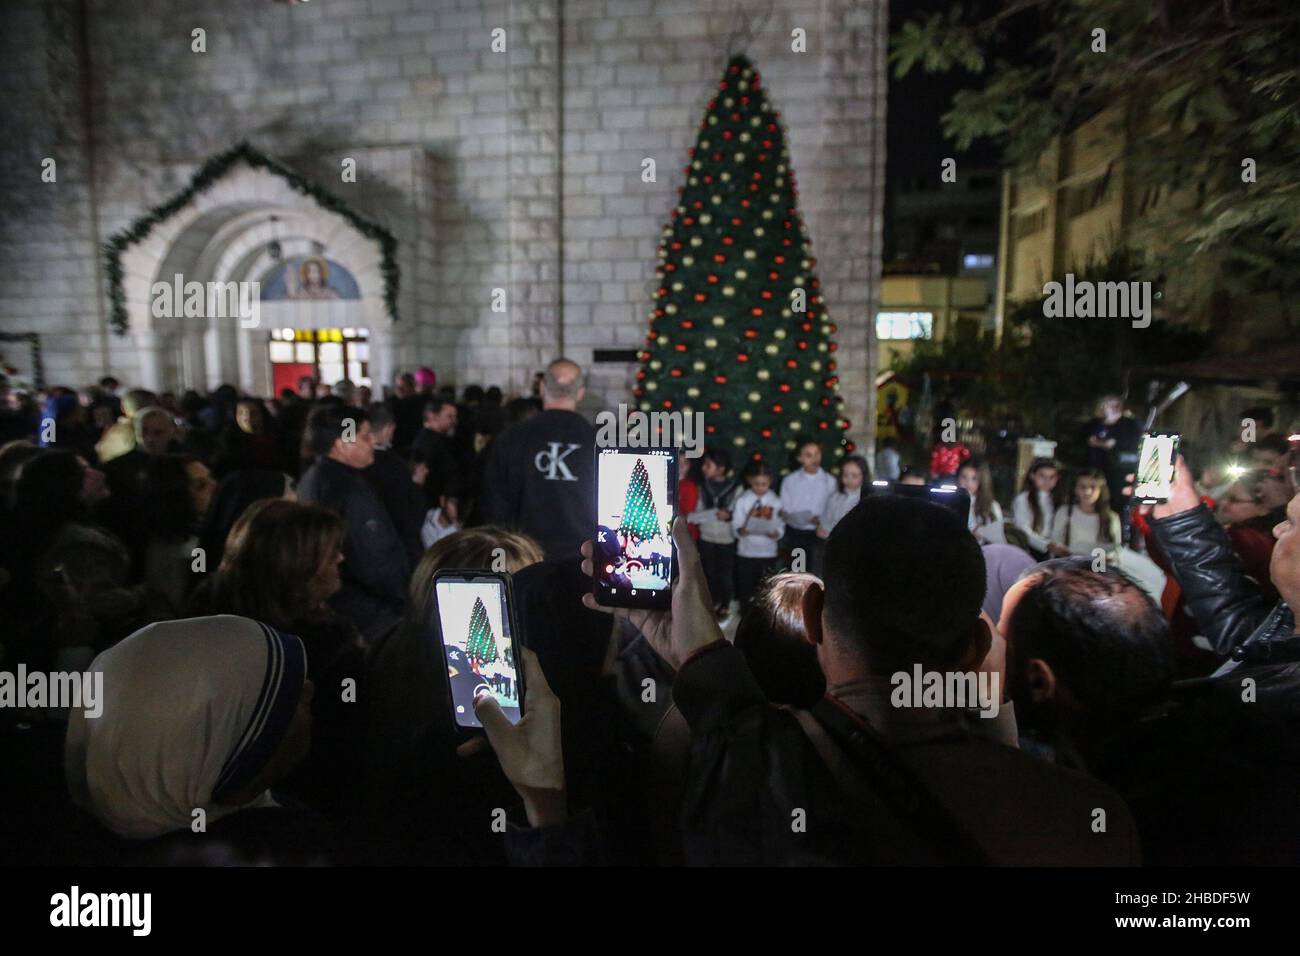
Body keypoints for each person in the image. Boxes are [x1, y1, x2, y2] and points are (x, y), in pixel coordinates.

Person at [580, 503, 1139, 865]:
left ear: (816, 616)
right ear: (973, 647)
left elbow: (723, 721)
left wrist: (695, 650)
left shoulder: (738, 771)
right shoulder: (1090, 820)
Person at [1001, 557, 1300, 865]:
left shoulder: (1085, 819)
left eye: (1003, 642)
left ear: (1039, 681)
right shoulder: (1247, 739)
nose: (994, 653)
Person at [196, 499, 365, 818]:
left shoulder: (200, 618)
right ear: (297, 568)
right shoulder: (329, 649)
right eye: (330, 554)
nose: (341, 559)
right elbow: (344, 747)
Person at [295, 405, 410, 643]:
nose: (372, 443)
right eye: (365, 436)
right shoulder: (350, 491)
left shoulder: (313, 477)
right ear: (341, 444)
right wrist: (403, 598)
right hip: (369, 612)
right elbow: (375, 557)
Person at [480, 358, 597, 561]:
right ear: (580, 392)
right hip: (580, 563)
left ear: (542, 388)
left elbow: (494, 507)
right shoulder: (597, 443)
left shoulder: (511, 438)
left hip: (524, 559)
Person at [363, 402, 426, 564]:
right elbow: (410, 515)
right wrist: (416, 484)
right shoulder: (394, 465)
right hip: (396, 548)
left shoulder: (354, 462)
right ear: (389, 428)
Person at [687, 447, 739, 619]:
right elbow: (697, 511)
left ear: (721, 468)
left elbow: (739, 512)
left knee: (725, 572)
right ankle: (712, 601)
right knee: (708, 571)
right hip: (706, 536)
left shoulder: (735, 488)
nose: (703, 468)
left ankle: (725, 603)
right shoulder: (702, 487)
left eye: (708, 465)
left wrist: (730, 515)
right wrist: (706, 515)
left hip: (726, 538)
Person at [778, 438, 836, 576]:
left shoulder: (830, 481)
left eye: (817, 454)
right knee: (797, 571)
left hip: (820, 534)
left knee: (817, 571)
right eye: (809, 455)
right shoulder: (790, 480)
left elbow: (833, 508)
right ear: (799, 458)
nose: (814, 459)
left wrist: (821, 520)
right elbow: (785, 508)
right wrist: (793, 516)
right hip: (797, 533)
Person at [732, 460, 784, 608]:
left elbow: (780, 523)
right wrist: (741, 530)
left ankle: (765, 615)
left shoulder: (775, 500)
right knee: (745, 586)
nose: (760, 488)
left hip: (768, 552)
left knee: (766, 587)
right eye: (756, 484)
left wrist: (777, 533)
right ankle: (745, 613)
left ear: (770, 482)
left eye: (764, 484)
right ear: (749, 481)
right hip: (746, 552)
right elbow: (735, 524)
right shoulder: (743, 500)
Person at [1082, 394, 1140, 508]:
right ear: (1103, 407)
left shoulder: (1129, 424)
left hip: (1119, 473)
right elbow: (1088, 440)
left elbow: (1135, 439)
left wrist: (1103, 443)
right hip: (1097, 471)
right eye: (1111, 405)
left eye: (1117, 405)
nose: (1114, 408)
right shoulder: (1095, 423)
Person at [1051, 469, 1120, 555]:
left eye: (1093, 487)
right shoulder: (1064, 512)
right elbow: (1055, 542)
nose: (1087, 492)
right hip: (1070, 563)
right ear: (1076, 489)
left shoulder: (1111, 517)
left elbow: (1116, 550)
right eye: (1082, 487)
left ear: (1100, 490)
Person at [1012, 457, 1067, 558]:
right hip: (1031, 551)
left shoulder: (1059, 499)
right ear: (1032, 476)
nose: (1047, 481)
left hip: (1055, 551)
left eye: (1052, 477)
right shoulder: (1023, 499)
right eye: (1042, 476)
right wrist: (1046, 544)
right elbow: (1022, 529)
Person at [817, 454, 868, 538]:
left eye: (854, 476)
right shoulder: (835, 496)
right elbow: (826, 519)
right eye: (845, 475)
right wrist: (822, 528)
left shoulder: (866, 499)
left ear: (864, 476)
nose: (849, 479)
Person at [957, 458, 1005, 544]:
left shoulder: (992, 506)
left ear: (982, 480)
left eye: (974, 478)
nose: (968, 483)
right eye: (964, 477)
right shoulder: (951, 502)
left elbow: (999, 541)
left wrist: (981, 534)